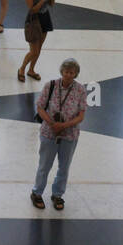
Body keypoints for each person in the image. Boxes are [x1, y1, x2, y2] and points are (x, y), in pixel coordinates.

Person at [31, 58, 88, 211]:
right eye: (66, 72)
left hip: (69, 135)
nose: (69, 75)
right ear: (61, 72)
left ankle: (57, 194)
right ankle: (37, 193)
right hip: (49, 133)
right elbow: (40, 108)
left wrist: (63, 125)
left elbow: (81, 115)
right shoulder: (50, 86)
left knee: (64, 167)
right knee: (44, 165)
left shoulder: (80, 90)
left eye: (72, 72)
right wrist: (52, 124)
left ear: (76, 74)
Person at [18, 0, 56, 82]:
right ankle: (21, 69)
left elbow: (51, 4)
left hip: (45, 18)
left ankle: (31, 70)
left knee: (38, 50)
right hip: (34, 20)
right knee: (33, 51)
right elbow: (32, 9)